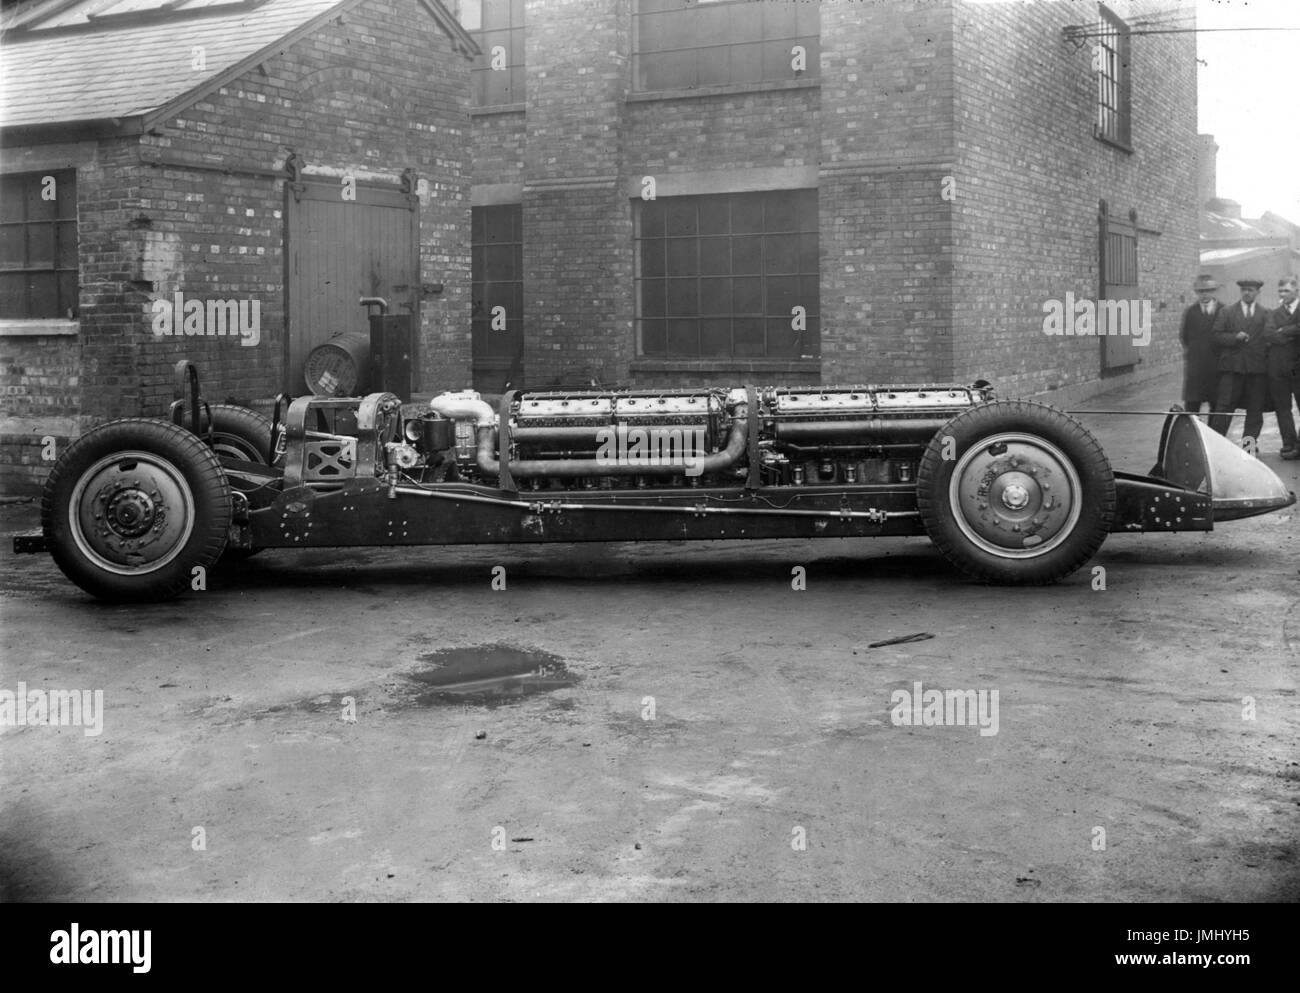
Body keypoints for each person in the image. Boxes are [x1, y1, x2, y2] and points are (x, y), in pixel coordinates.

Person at [1209, 278, 1270, 442]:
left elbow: (1270, 340)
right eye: (1244, 290)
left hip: (1256, 370)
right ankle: (1217, 444)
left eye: (1250, 290)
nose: (1247, 293)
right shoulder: (1227, 312)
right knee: (1224, 407)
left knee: (1255, 409)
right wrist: (1235, 337)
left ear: (1258, 292)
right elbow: (1215, 335)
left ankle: (1249, 446)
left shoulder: (1265, 314)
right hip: (1232, 368)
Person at [1263, 276, 1300, 459]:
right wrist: (1292, 332)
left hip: (1298, 368)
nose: (1282, 294)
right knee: (1283, 409)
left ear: (1296, 291)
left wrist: (1283, 330)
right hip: (1278, 369)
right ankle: (1289, 445)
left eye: (1286, 290)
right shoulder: (1273, 313)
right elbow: (1268, 334)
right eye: (1280, 291)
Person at [1178, 274, 1221, 414]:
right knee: (1192, 407)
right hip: (1196, 367)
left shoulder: (1224, 311)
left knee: (1217, 406)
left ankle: (1214, 434)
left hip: (1217, 366)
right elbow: (1184, 337)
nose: (1204, 294)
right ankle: (1193, 434)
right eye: (1201, 291)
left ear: (1214, 291)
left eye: (1208, 291)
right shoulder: (1191, 312)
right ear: (1197, 293)